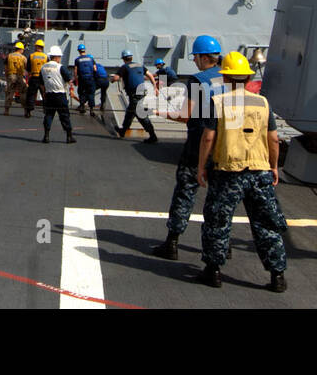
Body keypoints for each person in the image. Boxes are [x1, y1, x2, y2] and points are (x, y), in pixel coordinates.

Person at [195, 52, 287, 292]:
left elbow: (208, 138)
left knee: (217, 222)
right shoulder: (263, 103)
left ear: (225, 78)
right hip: (259, 171)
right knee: (266, 224)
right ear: (248, 77)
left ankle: (213, 271)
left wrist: (201, 167)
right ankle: (277, 276)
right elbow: (274, 140)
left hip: (227, 172)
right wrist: (273, 166)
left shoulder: (219, 103)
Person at [151, 35, 224, 259]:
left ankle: (172, 243)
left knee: (185, 192)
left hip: (198, 144)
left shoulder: (197, 80)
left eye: (195, 58)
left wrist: (160, 113)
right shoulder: (230, 78)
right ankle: (222, 245)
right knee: (220, 198)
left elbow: (186, 115)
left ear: (203, 58)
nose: (194, 62)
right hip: (225, 147)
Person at [112, 49, 158, 142]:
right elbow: (149, 75)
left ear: (124, 59)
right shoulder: (139, 65)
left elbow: (116, 77)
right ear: (131, 57)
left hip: (134, 93)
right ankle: (123, 131)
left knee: (140, 113)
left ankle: (153, 135)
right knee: (130, 112)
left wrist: (112, 79)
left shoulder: (124, 67)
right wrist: (155, 86)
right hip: (141, 91)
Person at [40, 46, 75, 144]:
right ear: (57, 57)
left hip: (49, 94)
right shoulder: (60, 67)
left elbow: (42, 83)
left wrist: (44, 94)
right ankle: (69, 136)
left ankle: (46, 136)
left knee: (49, 115)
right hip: (60, 95)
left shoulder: (43, 67)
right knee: (64, 116)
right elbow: (69, 80)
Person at [3, 39, 28, 116]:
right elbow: (26, 68)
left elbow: (6, 67)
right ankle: (25, 111)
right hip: (19, 76)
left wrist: (7, 76)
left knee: (9, 93)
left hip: (11, 76)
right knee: (23, 92)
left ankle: (6, 110)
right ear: (21, 49)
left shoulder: (9, 56)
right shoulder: (23, 58)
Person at [24, 37, 47, 118]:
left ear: (37, 46)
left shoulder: (31, 56)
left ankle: (28, 111)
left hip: (33, 77)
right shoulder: (45, 57)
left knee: (31, 95)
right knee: (45, 95)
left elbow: (28, 68)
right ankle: (46, 111)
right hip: (43, 79)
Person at [72, 43, 98, 115]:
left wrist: (75, 79)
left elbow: (75, 70)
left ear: (79, 51)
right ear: (84, 50)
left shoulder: (77, 60)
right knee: (91, 93)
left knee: (81, 92)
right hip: (90, 78)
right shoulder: (91, 59)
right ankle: (91, 109)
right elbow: (95, 69)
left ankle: (82, 107)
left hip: (82, 79)